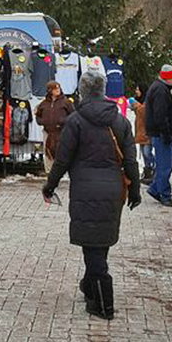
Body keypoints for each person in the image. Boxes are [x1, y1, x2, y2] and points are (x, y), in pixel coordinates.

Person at [42, 67, 140, 320]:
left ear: (83, 91)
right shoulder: (120, 120)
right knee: (101, 242)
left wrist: (49, 186)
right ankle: (90, 287)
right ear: (104, 90)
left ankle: (103, 303)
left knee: (92, 246)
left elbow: (62, 160)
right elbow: (131, 159)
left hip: (84, 188)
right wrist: (136, 190)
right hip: (113, 189)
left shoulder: (75, 121)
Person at [144, 64, 172, 206]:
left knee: (169, 161)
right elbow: (160, 115)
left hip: (160, 133)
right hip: (160, 134)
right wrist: (165, 133)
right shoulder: (160, 90)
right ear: (168, 77)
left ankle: (155, 188)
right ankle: (164, 194)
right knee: (165, 164)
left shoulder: (160, 88)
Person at [35, 80, 74, 177]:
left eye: (58, 88)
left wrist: (63, 121)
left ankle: (63, 172)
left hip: (62, 131)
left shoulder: (66, 102)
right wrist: (42, 121)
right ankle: (50, 172)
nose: (58, 90)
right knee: (48, 151)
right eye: (55, 89)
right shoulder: (43, 103)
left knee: (62, 151)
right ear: (49, 90)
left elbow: (73, 115)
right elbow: (38, 116)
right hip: (48, 132)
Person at [130, 83, 154, 184]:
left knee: (147, 152)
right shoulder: (139, 100)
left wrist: (135, 105)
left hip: (147, 132)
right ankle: (148, 170)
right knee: (144, 154)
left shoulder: (146, 101)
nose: (136, 92)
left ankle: (154, 167)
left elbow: (144, 112)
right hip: (140, 131)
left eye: (138, 90)